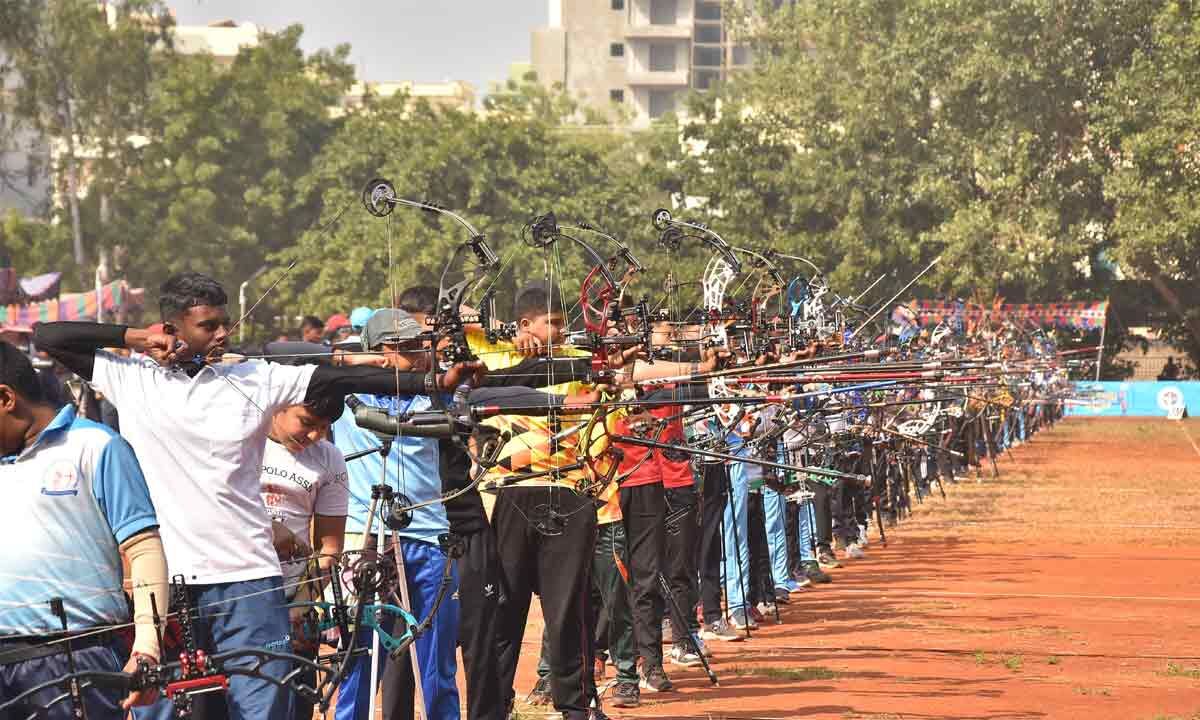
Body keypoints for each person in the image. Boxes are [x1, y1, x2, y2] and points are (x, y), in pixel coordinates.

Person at [33, 271, 482, 720]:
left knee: (263, 709)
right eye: (208, 325)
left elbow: (334, 380)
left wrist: (435, 384)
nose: (222, 333)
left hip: (250, 581)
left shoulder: (253, 377)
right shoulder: (132, 377)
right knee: (167, 710)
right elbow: (49, 336)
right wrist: (136, 338)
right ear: (171, 329)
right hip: (167, 585)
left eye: (225, 323)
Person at [0, 341, 168, 719]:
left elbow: (143, 549)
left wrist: (146, 648)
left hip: (73, 660)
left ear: (6, 398)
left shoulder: (95, 446)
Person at [258, 397, 349, 720]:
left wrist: (302, 603)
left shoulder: (329, 459)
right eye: (307, 423)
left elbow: (329, 549)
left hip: (294, 600)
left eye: (325, 428)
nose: (315, 436)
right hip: (232, 599)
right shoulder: (241, 440)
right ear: (278, 404)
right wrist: (268, 528)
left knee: (294, 705)